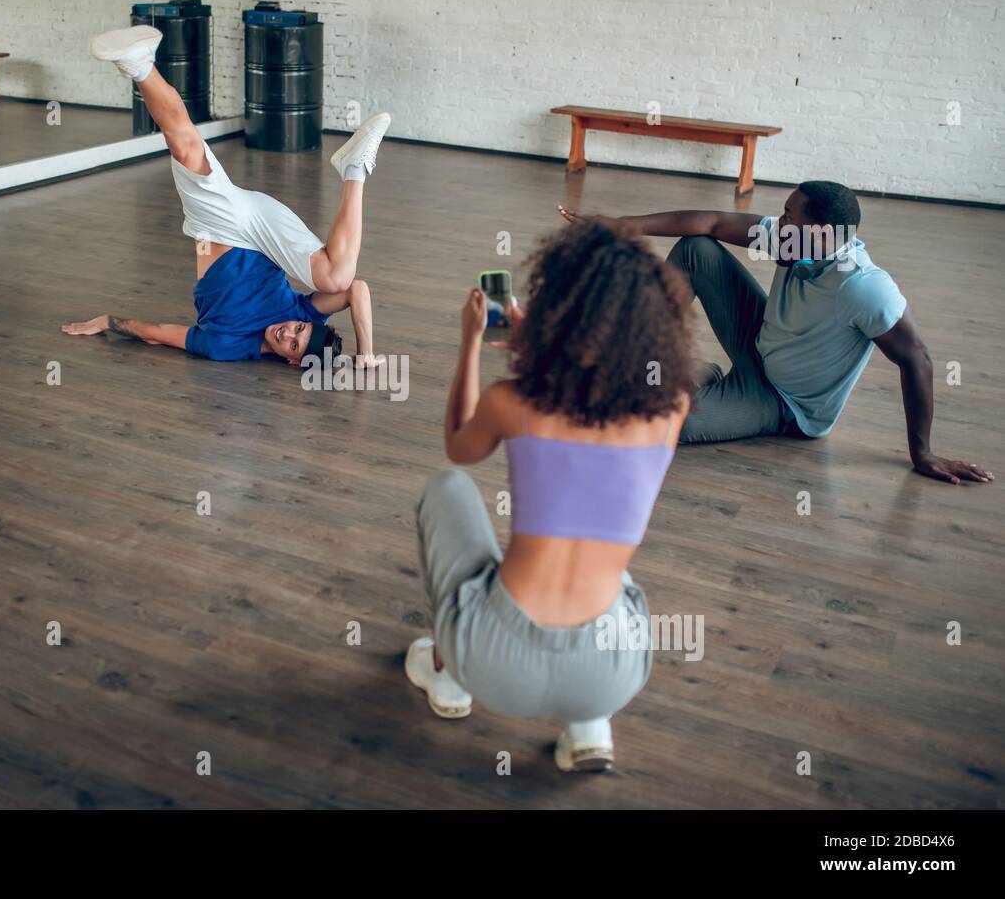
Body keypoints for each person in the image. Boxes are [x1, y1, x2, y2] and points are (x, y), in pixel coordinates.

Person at [406, 222, 692, 772]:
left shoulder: (514, 401)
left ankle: (447, 677)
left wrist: (471, 342)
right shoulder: (671, 409)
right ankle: (588, 725)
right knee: (613, 567)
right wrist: (547, 356)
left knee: (447, 489)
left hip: (491, 663)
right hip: (610, 673)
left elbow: (459, 446)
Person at [560, 181, 993, 485]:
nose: (778, 224)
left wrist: (923, 453)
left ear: (822, 232)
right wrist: (618, 224)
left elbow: (916, 359)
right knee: (697, 248)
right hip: (761, 341)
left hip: (784, 402)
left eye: (789, 217)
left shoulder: (863, 287)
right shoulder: (794, 241)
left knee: (663, 423)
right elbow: (709, 223)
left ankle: (699, 377)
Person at [62, 25, 385, 367]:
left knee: (184, 146)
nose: (288, 332)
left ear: (292, 361)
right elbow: (357, 290)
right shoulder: (299, 311)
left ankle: (139, 66)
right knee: (338, 278)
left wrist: (108, 322)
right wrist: (364, 352)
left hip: (214, 230)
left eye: (293, 345)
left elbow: (156, 332)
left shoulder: (224, 346)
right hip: (260, 232)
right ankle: (355, 170)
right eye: (299, 329)